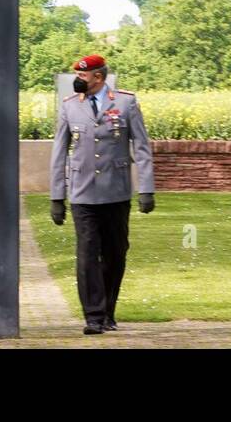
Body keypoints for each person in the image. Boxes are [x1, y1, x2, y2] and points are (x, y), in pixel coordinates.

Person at [49, 53, 155, 335]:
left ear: (99, 77)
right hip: (82, 194)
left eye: (83, 76)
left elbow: (142, 148)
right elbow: (59, 153)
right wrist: (57, 196)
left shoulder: (125, 102)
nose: (78, 80)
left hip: (116, 193)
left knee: (115, 253)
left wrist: (146, 189)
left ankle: (108, 311)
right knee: (87, 255)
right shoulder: (70, 106)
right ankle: (93, 317)